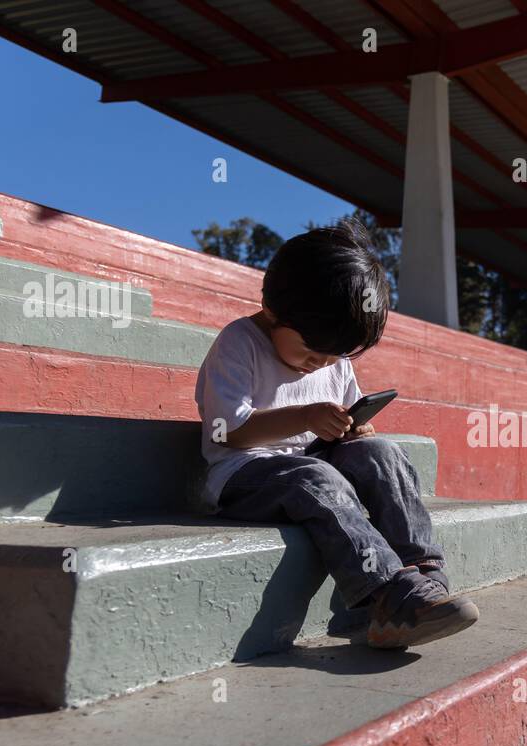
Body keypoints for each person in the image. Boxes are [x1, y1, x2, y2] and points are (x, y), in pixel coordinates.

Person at [194, 218, 479, 649]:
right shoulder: (239, 343)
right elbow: (226, 432)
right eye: (311, 350)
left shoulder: (333, 360)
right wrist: (305, 416)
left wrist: (354, 430)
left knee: (381, 452)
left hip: (313, 461)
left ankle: (425, 577)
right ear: (273, 311)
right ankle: (388, 599)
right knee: (316, 476)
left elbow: (346, 413)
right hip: (246, 476)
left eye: (336, 354)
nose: (322, 363)